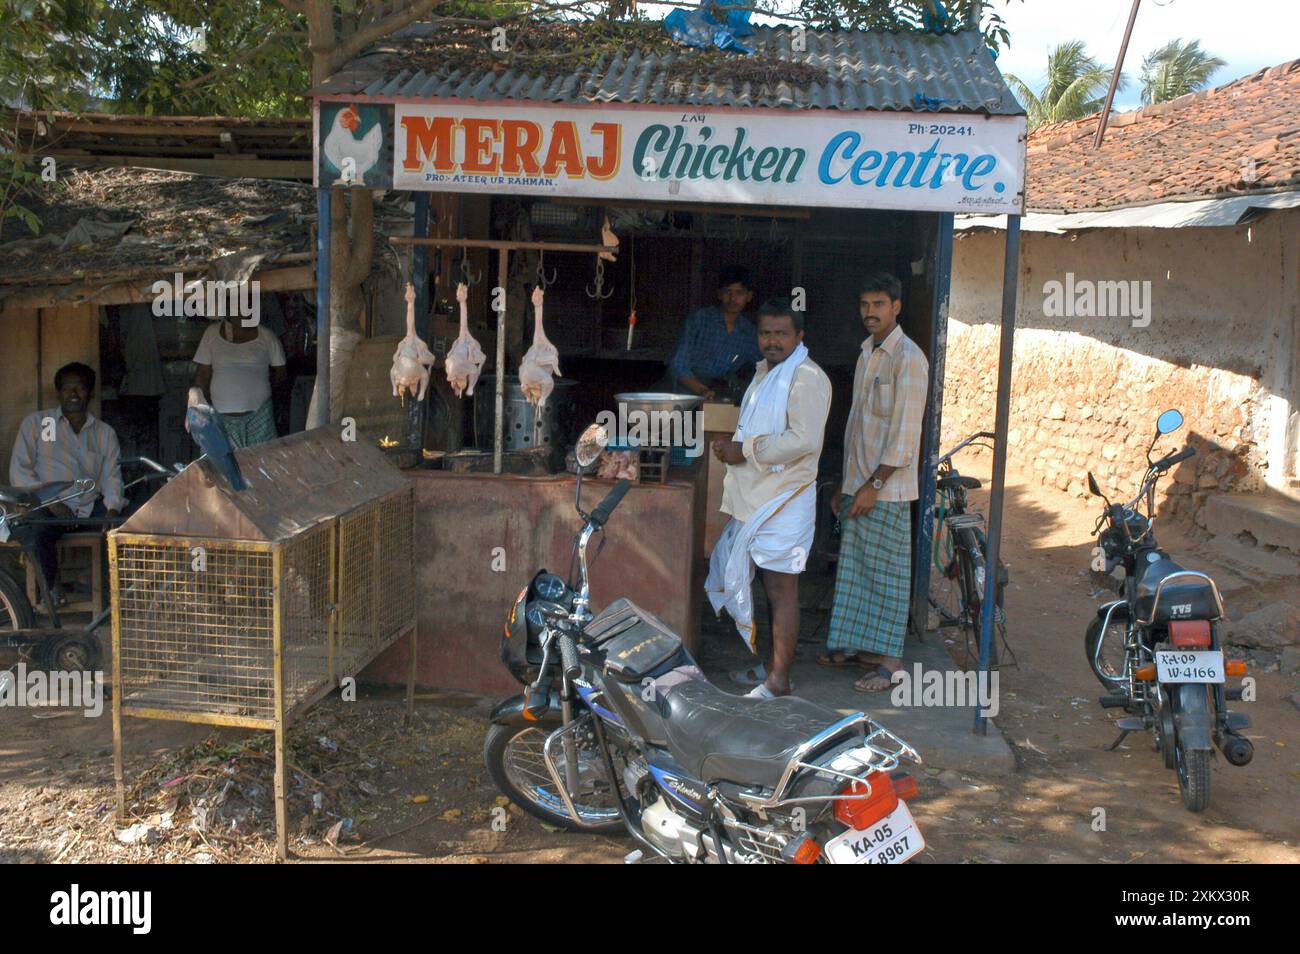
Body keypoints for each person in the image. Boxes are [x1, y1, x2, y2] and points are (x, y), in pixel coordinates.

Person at [705, 299, 831, 698]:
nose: (772, 341)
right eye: (765, 333)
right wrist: (738, 448)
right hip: (759, 498)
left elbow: (804, 441)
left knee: (781, 589)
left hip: (784, 501)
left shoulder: (807, 377)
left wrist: (745, 450)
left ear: (799, 336)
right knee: (766, 587)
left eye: (781, 333)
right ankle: (770, 667)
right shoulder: (765, 374)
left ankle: (779, 680)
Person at [822, 273, 929, 693]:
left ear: (896, 307)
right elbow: (857, 429)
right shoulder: (868, 352)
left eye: (879, 304)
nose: (870, 312)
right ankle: (861, 649)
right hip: (859, 483)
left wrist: (874, 485)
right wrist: (847, 486)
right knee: (858, 571)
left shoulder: (908, 358)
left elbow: (905, 435)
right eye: (865, 304)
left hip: (887, 489)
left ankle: (891, 662)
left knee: (887, 575)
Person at [8, 362, 125, 605]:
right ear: (58, 393)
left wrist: (112, 508)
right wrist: (51, 502)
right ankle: (50, 587)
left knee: (124, 526)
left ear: (90, 392)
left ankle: (98, 592)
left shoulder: (104, 433)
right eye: (67, 388)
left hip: (87, 507)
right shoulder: (37, 424)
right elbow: (19, 473)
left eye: (79, 388)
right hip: (49, 508)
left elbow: (111, 476)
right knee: (36, 529)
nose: (73, 394)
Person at [668, 265, 763, 400]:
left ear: (749, 296)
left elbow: (764, 365)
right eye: (727, 292)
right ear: (719, 294)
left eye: (739, 293)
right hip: (689, 391)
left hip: (723, 392)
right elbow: (678, 364)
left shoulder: (749, 332)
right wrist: (702, 390)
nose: (732, 298)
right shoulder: (699, 320)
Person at [191, 317, 287, 449]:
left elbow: (281, 373)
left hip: (260, 418)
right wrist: (204, 407)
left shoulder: (267, 336)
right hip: (220, 418)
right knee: (219, 466)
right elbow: (203, 375)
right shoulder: (211, 333)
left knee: (262, 463)